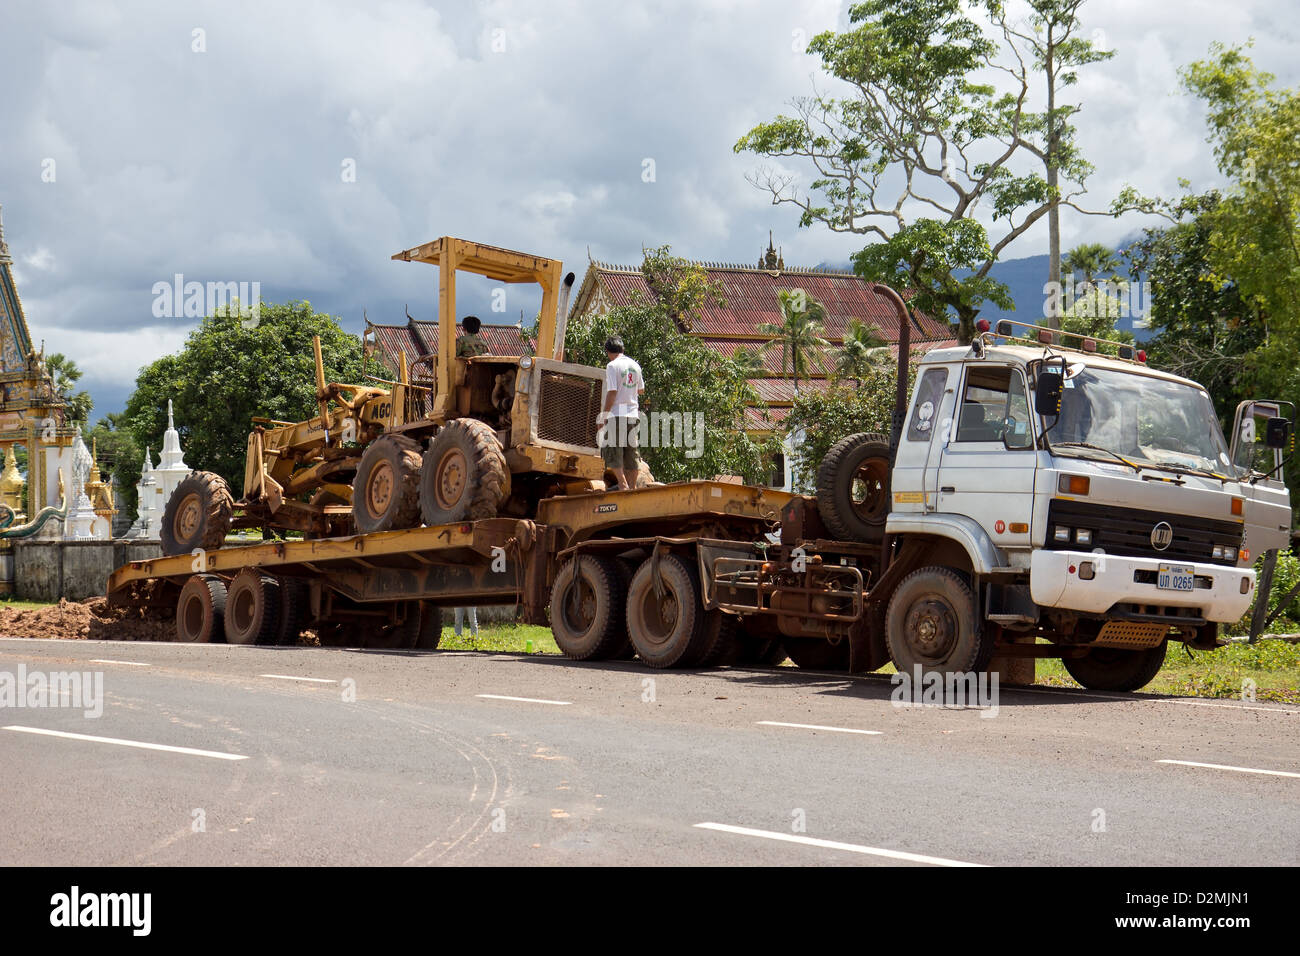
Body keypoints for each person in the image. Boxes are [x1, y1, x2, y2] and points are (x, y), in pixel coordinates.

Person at [598, 335, 645, 491]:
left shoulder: (612, 366)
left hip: (617, 414)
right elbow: (641, 390)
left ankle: (623, 485)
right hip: (633, 414)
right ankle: (632, 488)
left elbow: (612, 392)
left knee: (613, 451)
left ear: (608, 351)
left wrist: (604, 415)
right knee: (632, 454)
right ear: (622, 349)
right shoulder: (635, 365)